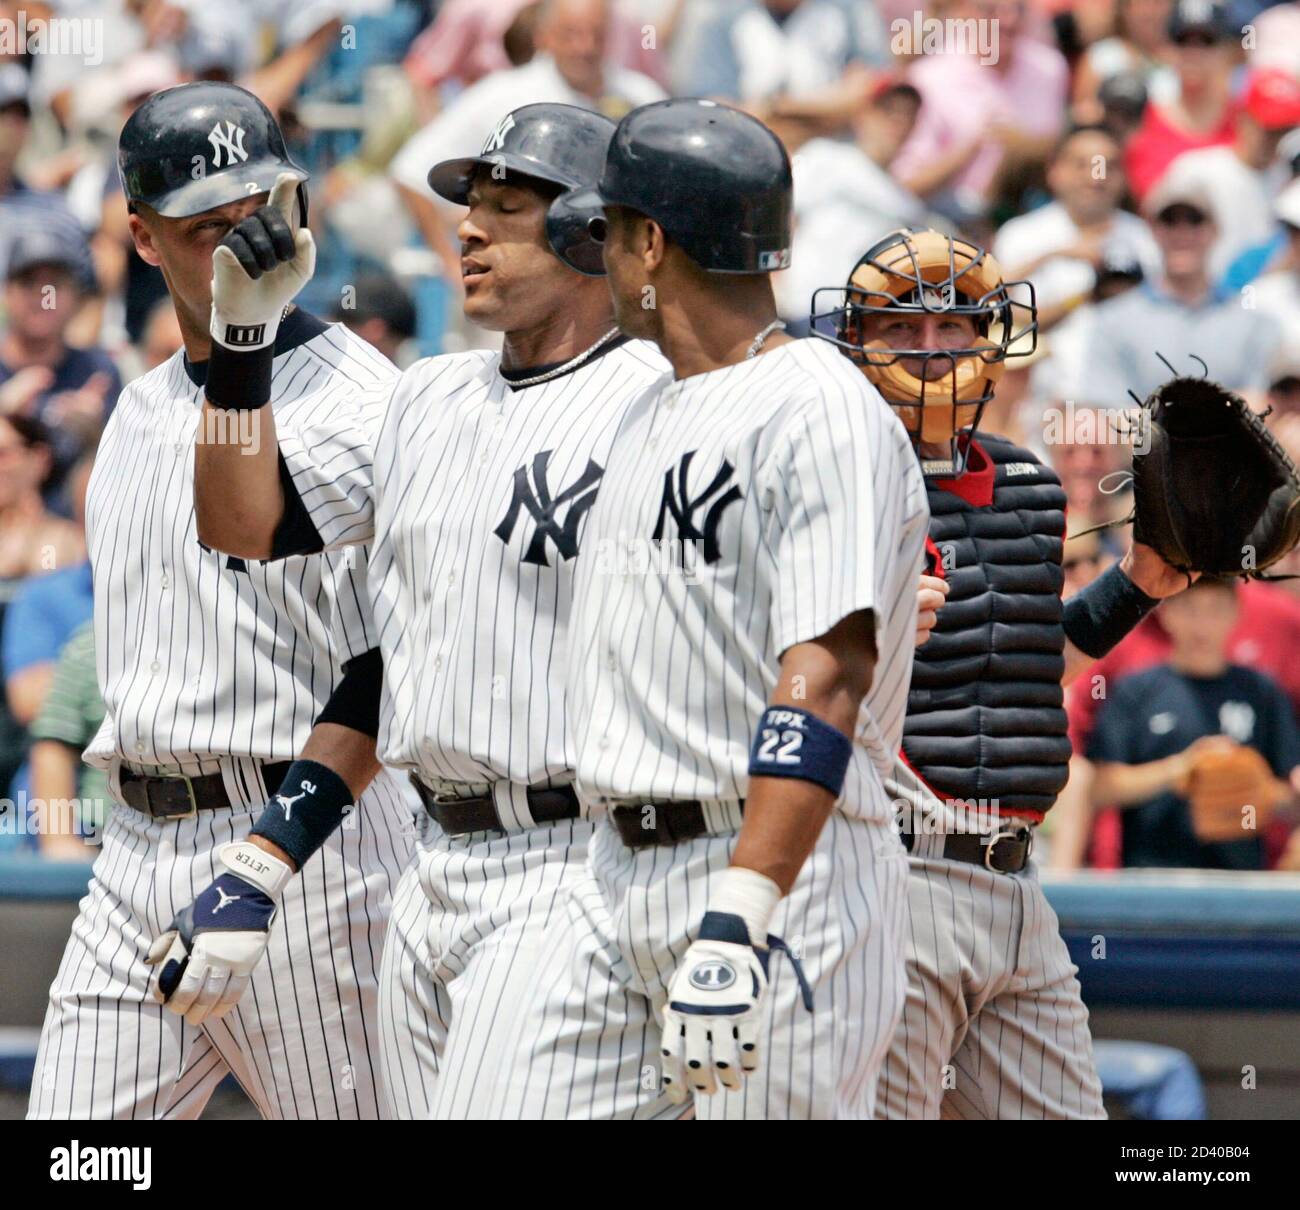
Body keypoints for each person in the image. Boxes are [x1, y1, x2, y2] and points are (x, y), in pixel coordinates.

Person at [187, 103, 671, 1120]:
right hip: (429, 862)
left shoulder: (660, 397)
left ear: (592, 231)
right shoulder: (425, 399)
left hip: (575, 858)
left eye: (505, 208)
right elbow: (238, 527)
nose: (468, 228)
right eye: (468, 206)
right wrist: (241, 347)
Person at [484, 99, 928, 1120]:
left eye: (606, 233)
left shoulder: (815, 402)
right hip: (609, 873)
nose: (591, 258)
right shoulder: (649, 406)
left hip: (780, 874)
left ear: (650, 243)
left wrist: (742, 907)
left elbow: (827, 674)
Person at [28, 82, 414, 1122]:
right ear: (144, 242)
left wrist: (266, 861)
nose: (244, 247)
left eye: (259, 214)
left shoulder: (364, 401)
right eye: (207, 228)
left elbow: (389, 665)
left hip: (307, 859)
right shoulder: (139, 410)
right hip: (135, 848)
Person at [809, 226, 1193, 1119]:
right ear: (858, 340)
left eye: (957, 327)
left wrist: (1138, 584)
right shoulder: (837, 476)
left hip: (1017, 884)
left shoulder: (1029, 484)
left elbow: (1027, 661)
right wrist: (881, 635)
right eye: (904, 328)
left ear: (993, 341)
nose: (934, 351)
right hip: (889, 871)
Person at [389, 0, 664, 284]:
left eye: (597, 34)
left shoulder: (641, 98)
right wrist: (451, 265)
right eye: (571, 33)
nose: (585, 47)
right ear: (543, 36)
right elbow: (411, 170)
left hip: (612, 287)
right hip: (511, 293)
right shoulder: (502, 96)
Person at [1088, 578, 1300, 870]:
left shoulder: (1261, 692)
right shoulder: (1136, 691)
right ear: (1166, 612)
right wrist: (1180, 770)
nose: (1202, 625)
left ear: (1236, 612)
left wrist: (1256, 788)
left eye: (1215, 609)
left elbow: (1291, 793)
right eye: (1189, 608)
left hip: (1242, 880)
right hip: (1150, 876)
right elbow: (1099, 786)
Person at [1074, 174, 1281, 405]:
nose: (1182, 233)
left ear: (1215, 230)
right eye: (1170, 221)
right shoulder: (1112, 320)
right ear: (1152, 230)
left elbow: (1266, 406)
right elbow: (1105, 410)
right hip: (1143, 441)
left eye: (1194, 220)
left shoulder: (1255, 323)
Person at [891, 0, 1070, 220]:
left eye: (1018, 9)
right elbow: (904, 186)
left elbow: (1061, 148)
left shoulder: (1049, 67)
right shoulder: (928, 78)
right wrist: (969, 149)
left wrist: (1024, 147)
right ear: (963, 13)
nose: (1008, 20)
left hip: (1033, 212)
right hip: (948, 220)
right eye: (990, 10)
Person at [778, 77, 927, 325]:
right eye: (888, 110)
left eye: (909, 115)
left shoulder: (907, 204)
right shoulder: (825, 155)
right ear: (862, 115)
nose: (899, 122)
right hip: (802, 307)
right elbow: (782, 215)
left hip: (859, 321)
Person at [993, 123, 1159, 331]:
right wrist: (1057, 257)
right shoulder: (1020, 234)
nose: (1096, 179)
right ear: (1055, 171)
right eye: (1082, 165)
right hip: (1048, 361)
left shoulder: (1145, 237)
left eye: (1108, 166)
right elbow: (998, 309)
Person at [0, 230, 122, 494]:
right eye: (29, 282)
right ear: (7, 292)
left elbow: (128, 468)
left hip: (76, 519)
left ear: (76, 297)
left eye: (54, 285)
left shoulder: (97, 370)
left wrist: (96, 435)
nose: (43, 297)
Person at [1153, 68, 1300, 279]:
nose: (1276, 139)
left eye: (1284, 130)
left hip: (1271, 300)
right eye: (1269, 128)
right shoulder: (1197, 170)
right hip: (1205, 300)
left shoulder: (1291, 178)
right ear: (1243, 119)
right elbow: (1159, 232)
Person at [1122, 0, 1238, 202]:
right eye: (1182, 41)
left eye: (1206, 42)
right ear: (1167, 50)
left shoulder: (1246, 122)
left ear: (1224, 51)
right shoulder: (1144, 121)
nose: (1194, 53)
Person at [28, 619, 109, 861]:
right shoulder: (93, 642)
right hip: (110, 836)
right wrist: (59, 839)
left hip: (221, 829)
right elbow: (53, 747)